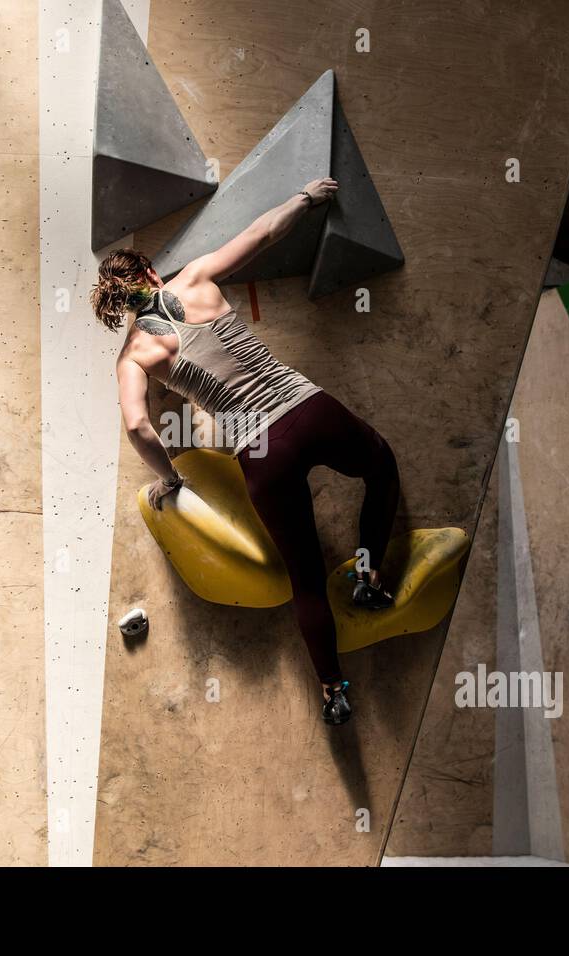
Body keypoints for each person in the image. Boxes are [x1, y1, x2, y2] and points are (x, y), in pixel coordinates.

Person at [90, 178, 400, 725]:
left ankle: (333, 690)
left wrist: (171, 479)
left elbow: (138, 424)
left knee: (305, 578)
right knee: (381, 464)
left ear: (120, 304)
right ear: (151, 274)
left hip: (259, 450)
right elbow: (262, 233)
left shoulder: (132, 356)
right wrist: (306, 197)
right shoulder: (198, 277)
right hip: (307, 409)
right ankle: (369, 575)